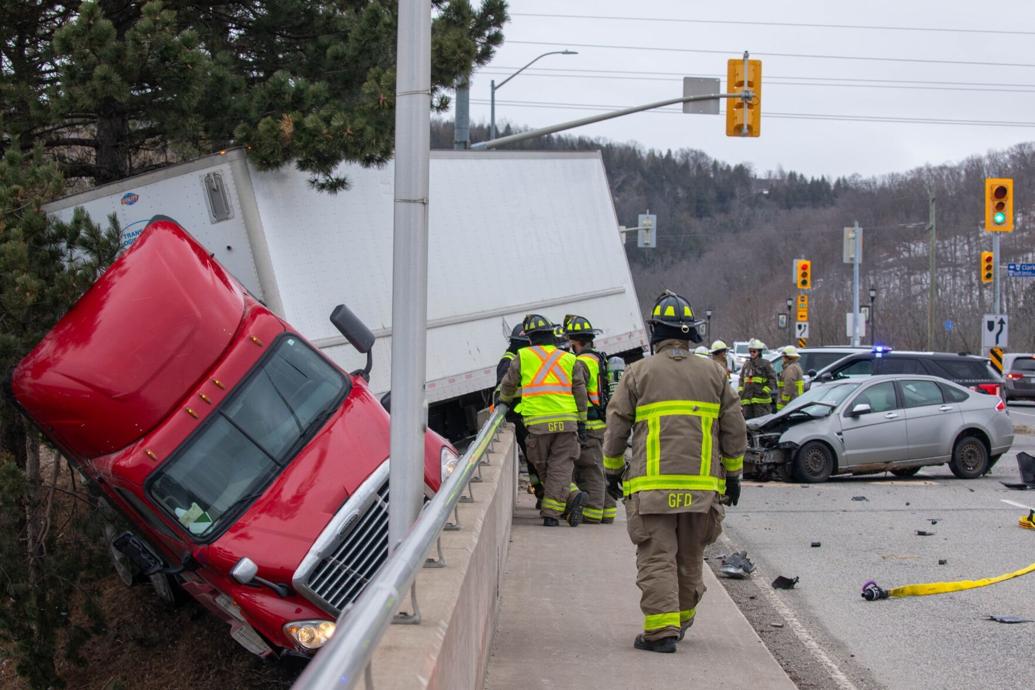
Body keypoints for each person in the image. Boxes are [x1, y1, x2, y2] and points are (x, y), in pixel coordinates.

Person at [603, 290, 747, 653]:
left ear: (656, 333)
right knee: (689, 558)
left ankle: (661, 631)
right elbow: (734, 428)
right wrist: (733, 475)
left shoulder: (638, 373)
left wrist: (611, 469)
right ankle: (678, 621)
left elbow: (617, 425)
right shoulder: (715, 373)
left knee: (656, 557)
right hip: (701, 491)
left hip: (652, 490)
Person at [499, 314, 589, 527]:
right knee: (561, 465)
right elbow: (580, 392)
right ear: (552, 335)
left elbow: (508, 384)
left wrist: (503, 402)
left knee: (543, 467)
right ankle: (570, 497)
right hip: (567, 421)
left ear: (530, 338)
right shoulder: (569, 359)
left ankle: (552, 513)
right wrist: (582, 422)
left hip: (538, 424)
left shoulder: (523, 356)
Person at [565, 315, 610, 524]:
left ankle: (592, 513)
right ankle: (607, 512)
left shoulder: (580, 362)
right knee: (599, 468)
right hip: (600, 422)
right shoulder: (599, 358)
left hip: (589, 423)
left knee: (591, 469)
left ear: (576, 341)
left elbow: (579, 394)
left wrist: (580, 424)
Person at [737, 338, 776, 419]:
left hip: (761, 403)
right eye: (750, 351)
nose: (752, 353)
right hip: (747, 402)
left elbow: (772, 379)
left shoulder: (765, 364)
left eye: (754, 351)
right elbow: (741, 378)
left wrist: (765, 390)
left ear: (759, 352)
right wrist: (741, 390)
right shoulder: (746, 364)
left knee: (761, 424)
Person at [777, 345, 805, 411]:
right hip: (795, 400)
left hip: (789, 403)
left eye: (783, 356)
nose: (782, 358)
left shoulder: (790, 368)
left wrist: (783, 401)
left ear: (788, 357)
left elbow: (789, 385)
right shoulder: (795, 367)